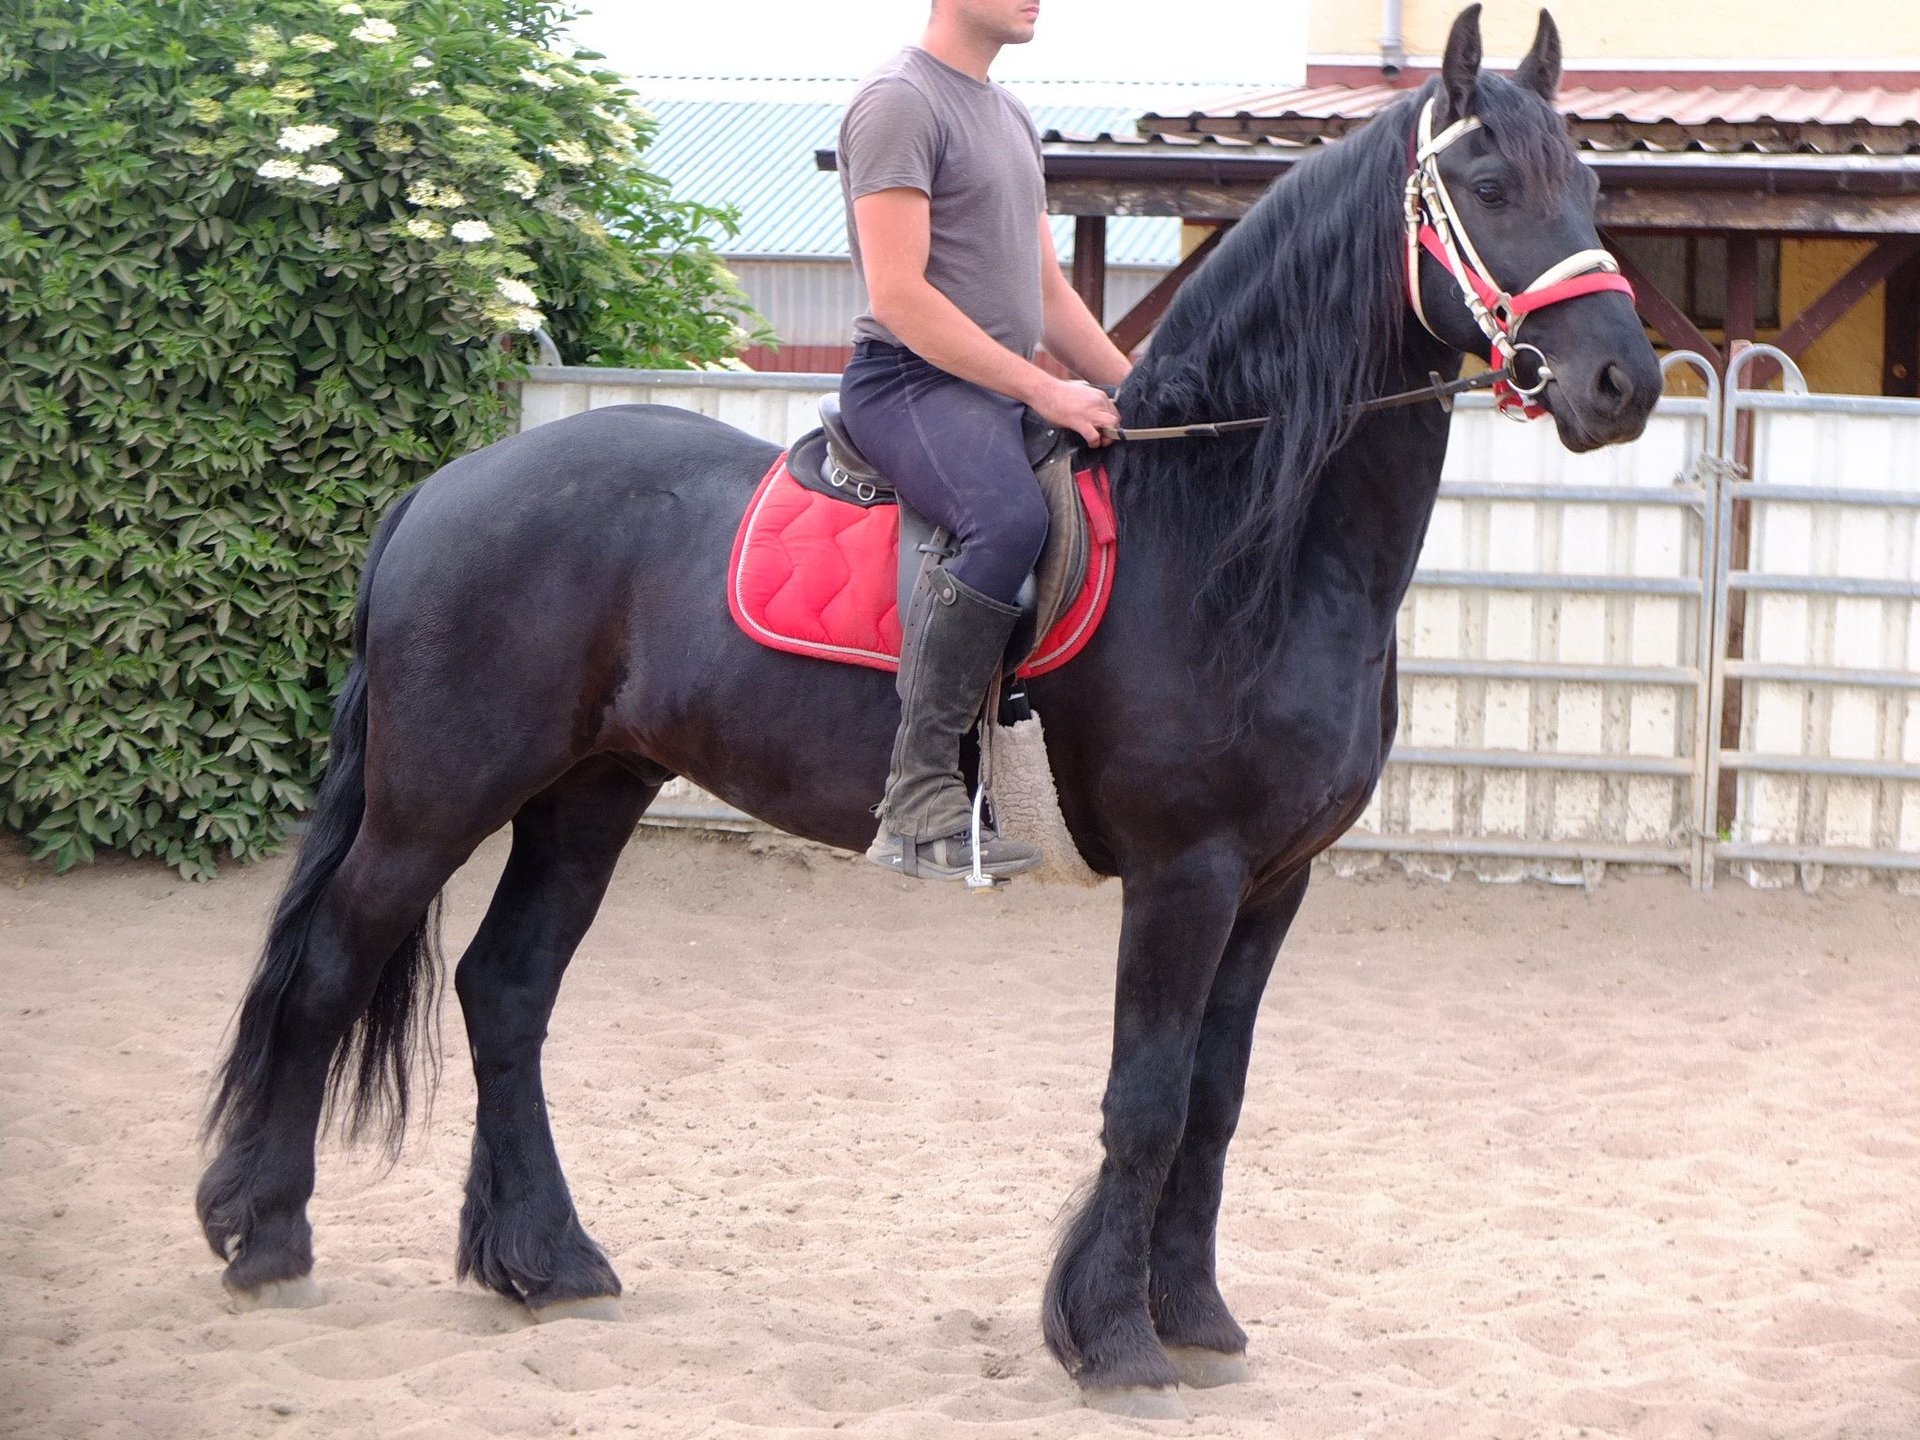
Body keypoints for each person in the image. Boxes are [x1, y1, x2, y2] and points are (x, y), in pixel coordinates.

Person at [838, 0, 1132, 882]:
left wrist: (1132, 391)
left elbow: (1043, 292)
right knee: (1006, 519)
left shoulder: (1007, 114)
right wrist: (1044, 387)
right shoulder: (899, 101)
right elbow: (899, 296)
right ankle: (920, 797)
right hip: (908, 381)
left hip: (991, 390)